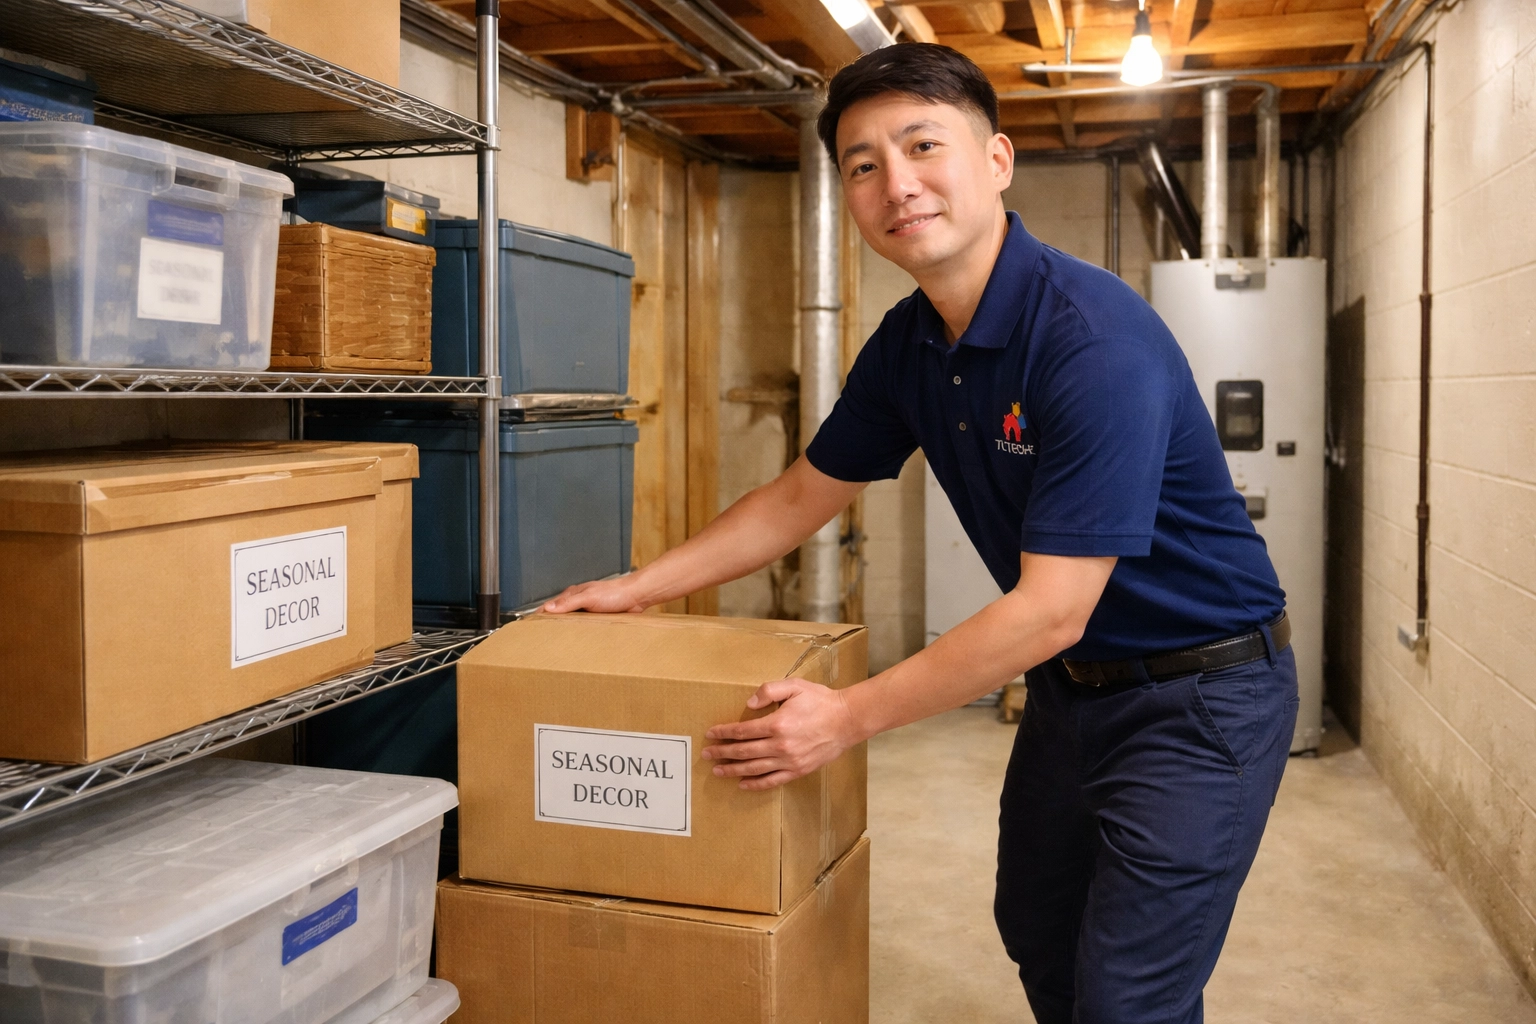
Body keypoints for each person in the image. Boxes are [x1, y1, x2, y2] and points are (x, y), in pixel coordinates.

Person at [544, 42, 1298, 1024]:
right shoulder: (912, 343)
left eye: (921, 145)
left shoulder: (1089, 340)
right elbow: (800, 496)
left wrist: (844, 717)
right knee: (1039, 929)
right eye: (863, 165)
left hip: (1201, 695)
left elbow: (1050, 611)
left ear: (996, 160)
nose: (896, 184)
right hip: (1077, 693)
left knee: (1130, 999)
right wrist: (639, 586)